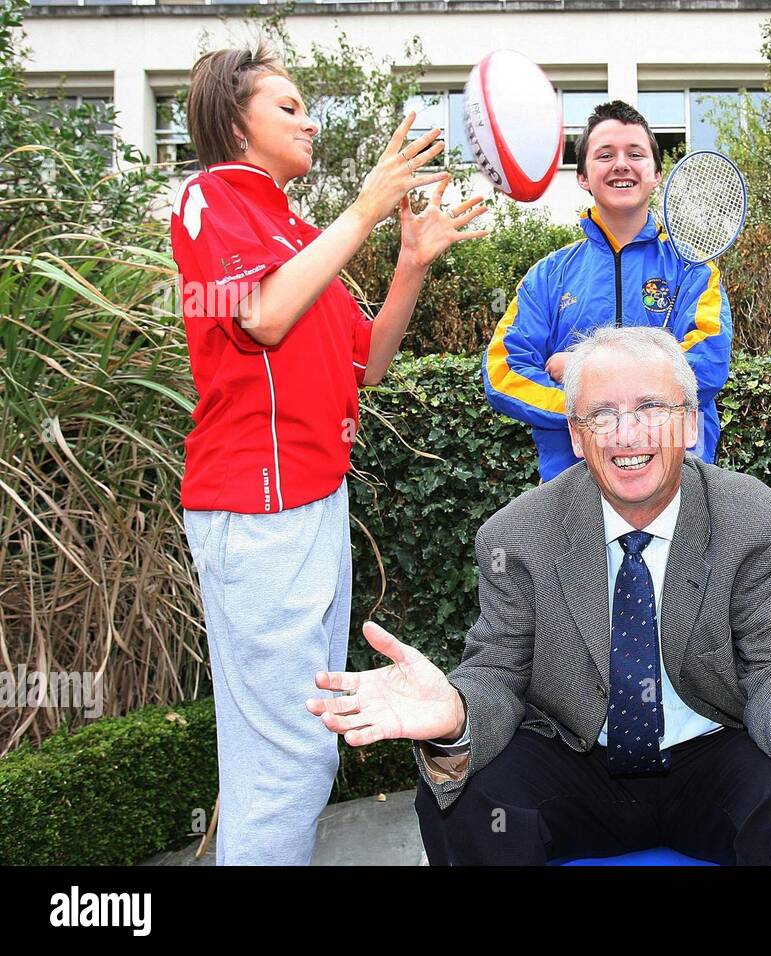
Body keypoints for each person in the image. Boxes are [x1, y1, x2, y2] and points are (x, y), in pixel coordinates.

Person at [308, 326, 771, 865]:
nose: (626, 433)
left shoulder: (755, 518)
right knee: (470, 797)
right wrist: (453, 716)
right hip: (574, 757)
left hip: (711, 750)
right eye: (601, 416)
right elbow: (494, 675)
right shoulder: (516, 534)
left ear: (690, 424)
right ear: (577, 436)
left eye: (650, 408)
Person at [171, 43, 488, 865]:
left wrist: (411, 263)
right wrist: (367, 211)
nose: (309, 118)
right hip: (257, 507)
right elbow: (263, 316)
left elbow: (367, 363)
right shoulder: (210, 198)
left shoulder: (296, 228)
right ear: (232, 122)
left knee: (295, 745)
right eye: (287, 106)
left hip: (314, 503)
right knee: (290, 759)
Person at [482, 100, 733, 482]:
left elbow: (708, 362)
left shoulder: (694, 269)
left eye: (635, 153)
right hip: (571, 484)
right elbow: (502, 372)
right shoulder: (546, 277)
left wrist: (583, 369)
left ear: (656, 174)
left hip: (676, 480)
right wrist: (588, 412)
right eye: (604, 155)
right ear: (582, 176)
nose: (621, 164)